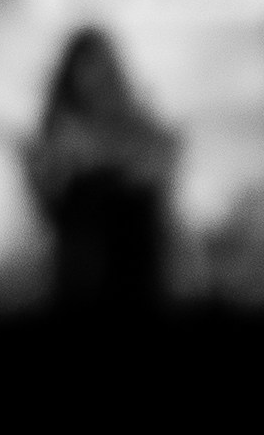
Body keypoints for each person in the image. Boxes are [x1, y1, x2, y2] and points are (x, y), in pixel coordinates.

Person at [26, 26, 182, 307]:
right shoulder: (59, 131)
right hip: (81, 283)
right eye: (86, 66)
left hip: (140, 278)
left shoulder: (141, 124)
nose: (95, 77)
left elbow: (158, 182)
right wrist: (48, 167)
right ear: (70, 75)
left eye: (101, 64)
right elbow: (51, 211)